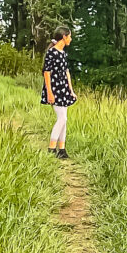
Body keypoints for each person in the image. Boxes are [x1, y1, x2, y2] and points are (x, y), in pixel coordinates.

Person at [42, 26, 76, 158]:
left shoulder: (63, 53)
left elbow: (67, 73)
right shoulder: (52, 52)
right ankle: (51, 148)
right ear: (64, 36)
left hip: (63, 88)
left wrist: (71, 90)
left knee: (64, 120)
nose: (71, 39)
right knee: (62, 118)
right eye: (70, 36)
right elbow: (47, 72)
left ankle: (62, 149)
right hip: (55, 88)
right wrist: (49, 92)